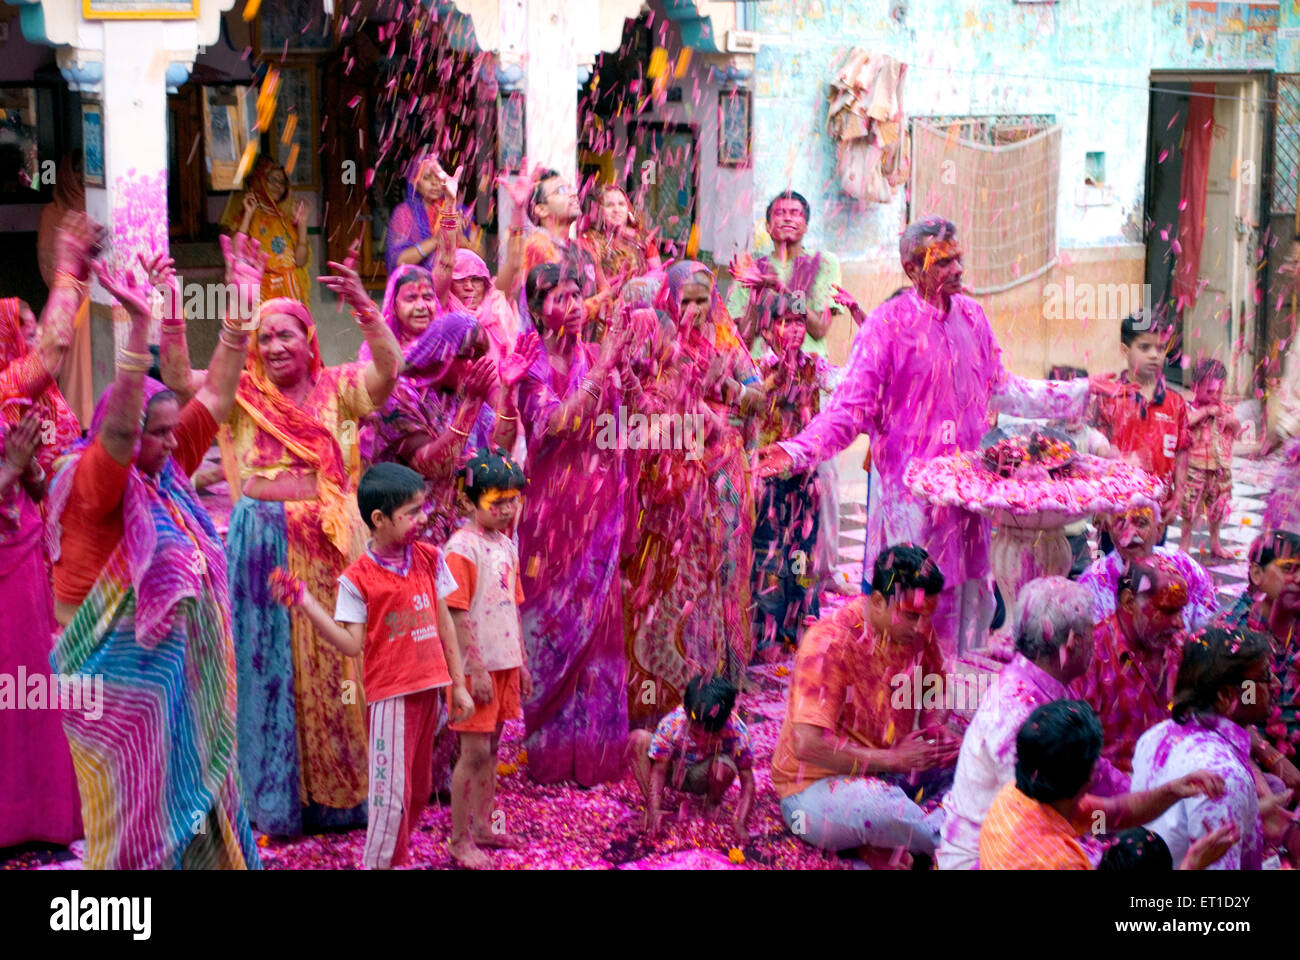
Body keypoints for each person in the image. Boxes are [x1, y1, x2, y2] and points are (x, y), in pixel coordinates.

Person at [757, 217, 1099, 652]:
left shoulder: (973, 318)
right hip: (912, 512)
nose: (958, 270)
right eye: (944, 262)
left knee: (968, 622)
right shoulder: (886, 327)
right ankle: (904, 714)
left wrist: (1080, 392)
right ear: (911, 268)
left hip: (967, 509)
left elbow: (1003, 389)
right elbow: (847, 411)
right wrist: (795, 450)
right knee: (908, 629)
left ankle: (945, 711)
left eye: (959, 258)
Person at [161, 239, 403, 836]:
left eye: (285, 335)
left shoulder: (339, 388)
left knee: (332, 672)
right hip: (260, 546)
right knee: (265, 667)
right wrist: (172, 310)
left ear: (310, 341)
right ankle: (276, 801)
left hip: (327, 545)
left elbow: (390, 368)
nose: (272, 347)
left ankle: (339, 801)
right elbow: (174, 377)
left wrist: (368, 311)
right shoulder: (243, 392)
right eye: (263, 337)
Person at [46, 233, 259, 869]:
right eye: (155, 434)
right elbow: (119, 427)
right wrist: (138, 330)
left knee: (198, 821)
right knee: (133, 838)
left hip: (186, 693)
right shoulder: (94, 481)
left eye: (171, 432)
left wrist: (239, 309)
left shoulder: (163, 472)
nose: (171, 444)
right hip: (116, 695)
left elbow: (217, 396)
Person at [268, 462, 473, 869]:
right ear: (379, 520)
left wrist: (459, 684)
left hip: (428, 691)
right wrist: (307, 604)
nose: (423, 518)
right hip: (391, 700)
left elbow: (444, 621)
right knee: (390, 797)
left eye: (423, 508)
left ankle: (396, 857)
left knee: (419, 790)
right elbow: (349, 644)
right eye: (411, 512)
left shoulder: (430, 559)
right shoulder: (356, 579)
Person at [623, 262, 760, 720]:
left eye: (704, 299)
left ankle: (724, 682)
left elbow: (756, 393)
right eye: (687, 299)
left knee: (725, 574)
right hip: (676, 476)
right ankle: (672, 688)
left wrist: (734, 389)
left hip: (723, 472)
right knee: (678, 577)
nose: (696, 309)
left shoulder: (724, 338)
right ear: (670, 297)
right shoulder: (660, 341)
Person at [770, 544, 961, 868]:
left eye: (927, 616)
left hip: (890, 770)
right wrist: (892, 759)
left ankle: (887, 843)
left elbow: (936, 690)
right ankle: (957, 842)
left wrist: (933, 729)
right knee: (878, 807)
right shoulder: (829, 642)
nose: (921, 627)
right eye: (912, 616)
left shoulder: (918, 632)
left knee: (978, 755)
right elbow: (807, 745)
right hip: (815, 789)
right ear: (876, 601)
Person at [515, 262, 633, 785]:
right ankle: (552, 754)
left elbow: (615, 431)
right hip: (550, 514)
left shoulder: (592, 354)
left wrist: (624, 507)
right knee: (553, 629)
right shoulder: (531, 361)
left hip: (599, 508)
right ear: (538, 311)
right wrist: (602, 368)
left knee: (600, 629)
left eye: (578, 296)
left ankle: (597, 755)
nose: (574, 307)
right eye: (560, 298)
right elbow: (555, 423)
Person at [0, 220, 91, 851]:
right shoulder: (13, 389)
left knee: (30, 689)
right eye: (20, 333)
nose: (32, 343)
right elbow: (55, 350)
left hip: (25, 554)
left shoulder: (16, 398)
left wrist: (26, 475)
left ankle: (35, 818)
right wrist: (66, 266)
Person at [729, 190, 848, 597]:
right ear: (767, 223)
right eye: (779, 212)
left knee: (817, 477)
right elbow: (738, 335)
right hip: (763, 382)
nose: (787, 218)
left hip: (808, 384)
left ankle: (818, 572)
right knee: (763, 478)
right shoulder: (752, 265)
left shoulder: (823, 264)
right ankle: (759, 579)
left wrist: (780, 286)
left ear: (807, 222)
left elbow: (818, 326)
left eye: (796, 212)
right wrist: (755, 298)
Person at [1133, 625, 1300, 870]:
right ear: (1224, 695)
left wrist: (1254, 816)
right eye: (1264, 677)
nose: (1275, 684)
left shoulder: (1157, 735)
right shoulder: (1224, 775)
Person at [363, 310, 536, 545]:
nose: (473, 365)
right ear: (440, 352)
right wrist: (471, 404)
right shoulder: (400, 393)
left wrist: (508, 390)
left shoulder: (461, 389)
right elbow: (433, 466)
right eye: (466, 355)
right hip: (408, 528)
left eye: (480, 356)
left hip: (457, 530)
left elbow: (501, 446)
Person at [442, 448, 532, 868]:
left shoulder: (507, 546)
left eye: (513, 501)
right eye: (498, 503)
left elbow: (512, 605)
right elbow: (457, 610)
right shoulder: (461, 548)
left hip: (505, 662)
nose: (507, 510)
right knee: (473, 752)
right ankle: (459, 839)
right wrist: (473, 668)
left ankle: (483, 826)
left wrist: (522, 663)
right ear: (470, 502)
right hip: (475, 668)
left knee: (493, 749)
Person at [751, 294, 840, 657]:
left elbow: (847, 385)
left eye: (800, 322)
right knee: (770, 552)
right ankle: (769, 632)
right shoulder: (758, 368)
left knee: (803, 551)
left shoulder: (815, 367)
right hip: (770, 475)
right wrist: (774, 381)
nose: (794, 329)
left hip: (805, 475)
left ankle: (801, 620)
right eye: (785, 322)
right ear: (770, 329)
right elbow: (747, 402)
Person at [1073, 555, 1189, 774]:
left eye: (1181, 610)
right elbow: (1077, 756)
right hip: (1114, 797)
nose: (1180, 623)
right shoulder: (1091, 657)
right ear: (1128, 602)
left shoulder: (1180, 647)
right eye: (1168, 611)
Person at [1090, 312, 1189, 549]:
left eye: (1161, 347)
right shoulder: (1109, 399)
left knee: (1151, 576)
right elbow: (1094, 456)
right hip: (1115, 510)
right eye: (1145, 347)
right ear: (1125, 350)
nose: (1155, 355)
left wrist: (1177, 498)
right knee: (1114, 574)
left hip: (1156, 513)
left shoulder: (1176, 403)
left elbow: (1182, 452)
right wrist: (1100, 504)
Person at [627, 674, 756, 844]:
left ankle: (711, 803)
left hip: (703, 776)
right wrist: (652, 808)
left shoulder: (736, 730)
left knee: (724, 768)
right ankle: (657, 808)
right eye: (695, 733)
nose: (701, 741)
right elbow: (658, 772)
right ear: (686, 714)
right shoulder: (673, 723)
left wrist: (740, 823)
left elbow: (748, 782)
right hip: (673, 771)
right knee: (637, 739)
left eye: (711, 736)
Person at [1220, 530, 1300, 773]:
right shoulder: (1234, 634)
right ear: (1257, 574)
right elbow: (1236, 716)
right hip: (1249, 760)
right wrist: (1273, 758)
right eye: (1288, 569)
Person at [1078, 504, 1218, 631]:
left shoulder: (1185, 568)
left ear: (1159, 530)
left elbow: (1209, 631)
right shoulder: (1092, 583)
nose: (1131, 533)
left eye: (1141, 523)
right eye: (1121, 523)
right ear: (1109, 529)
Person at [510, 169, 613, 333]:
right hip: (552, 351)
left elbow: (606, 291)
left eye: (571, 188)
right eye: (561, 191)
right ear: (541, 209)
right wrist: (594, 304)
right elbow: (559, 309)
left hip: (583, 350)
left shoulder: (584, 247)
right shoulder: (538, 245)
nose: (573, 194)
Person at [36, 151, 93, 428]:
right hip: (65, 302)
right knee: (67, 367)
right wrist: (72, 284)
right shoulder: (52, 212)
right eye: (77, 173)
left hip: (100, 301)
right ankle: (73, 424)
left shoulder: (100, 206)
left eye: (86, 173)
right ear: (67, 175)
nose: (82, 179)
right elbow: (48, 265)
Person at [220, 156, 311, 307]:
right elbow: (237, 252)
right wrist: (248, 214)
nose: (277, 186)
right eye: (272, 180)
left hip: (289, 291)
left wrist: (302, 224)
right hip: (260, 290)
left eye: (282, 182)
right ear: (260, 181)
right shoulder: (248, 216)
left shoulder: (285, 221)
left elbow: (300, 261)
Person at [579, 183, 659, 339]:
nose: (617, 210)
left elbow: (657, 276)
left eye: (621, 204)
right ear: (599, 211)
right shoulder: (589, 241)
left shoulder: (642, 239)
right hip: (603, 316)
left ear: (628, 209)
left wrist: (635, 289)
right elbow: (588, 285)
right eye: (609, 205)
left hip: (638, 312)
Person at [1179, 358, 1240, 560]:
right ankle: (1184, 545)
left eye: (1219, 392)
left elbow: (1238, 431)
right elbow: (1185, 423)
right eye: (1209, 391)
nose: (1215, 397)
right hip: (1195, 468)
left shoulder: (1225, 410)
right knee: (1189, 509)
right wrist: (1205, 412)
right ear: (1195, 387)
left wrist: (1231, 422)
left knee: (1217, 508)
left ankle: (1215, 542)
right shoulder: (1190, 408)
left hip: (1220, 469)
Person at [384, 153, 478, 274]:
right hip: (420, 286)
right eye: (427, 177)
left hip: (456, 284)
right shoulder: (404, 213)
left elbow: (479, 256)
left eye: (438, 177)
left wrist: (459, 238)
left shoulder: (457, 210)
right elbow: (399, 261)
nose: (434, 183)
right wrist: (436, 240)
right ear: (414, 182)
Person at [356, 264, 439, 363]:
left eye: (427, 298)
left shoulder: (447, 345)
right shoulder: (376, 349)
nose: (421, 306)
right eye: (411, 299)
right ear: (393, 307)